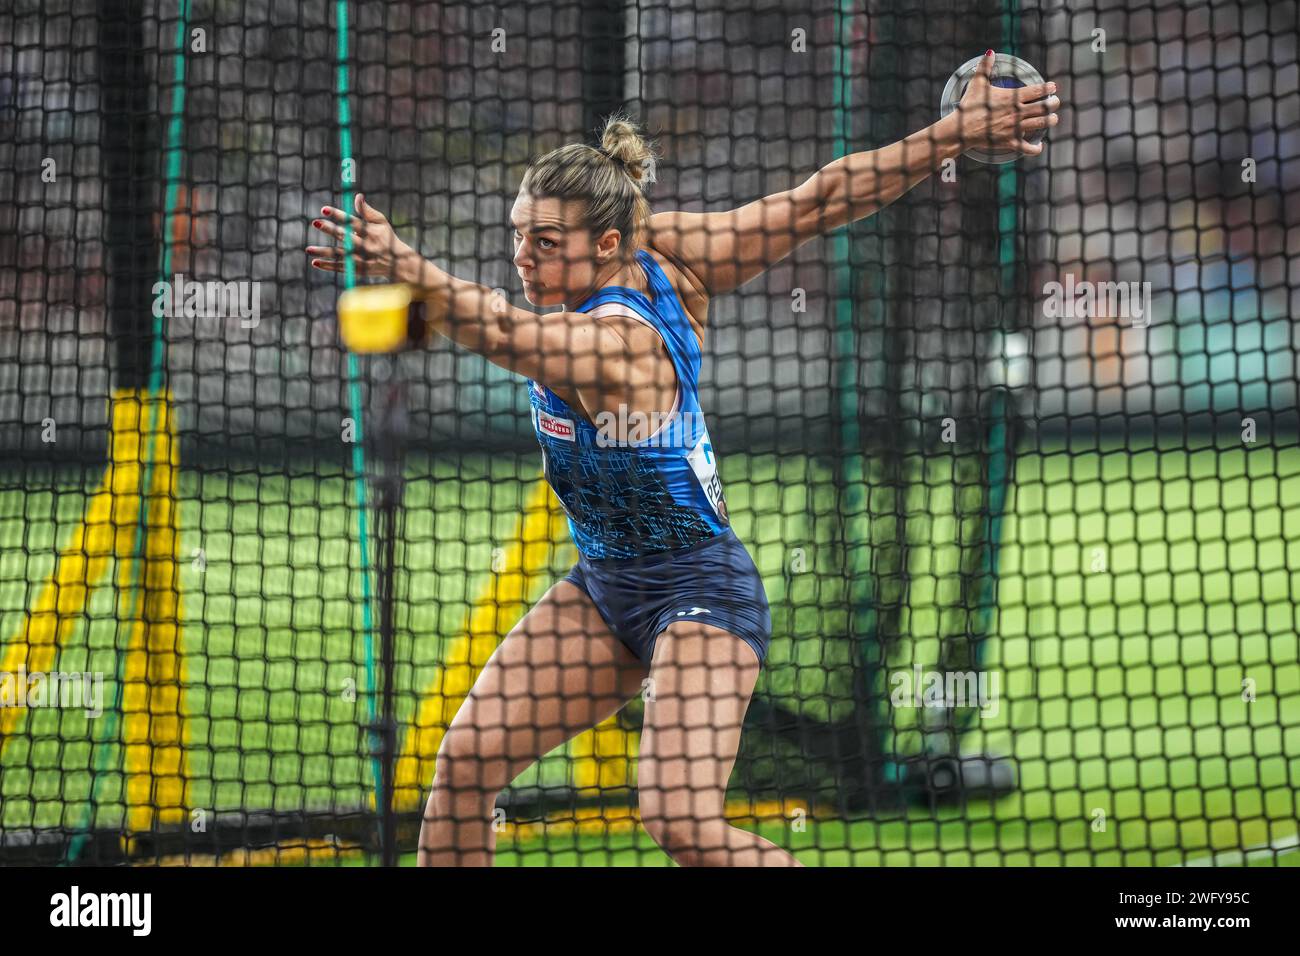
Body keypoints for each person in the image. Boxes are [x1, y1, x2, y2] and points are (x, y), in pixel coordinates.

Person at [307, 50, 1060, 866]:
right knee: (461, 770)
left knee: (680, 820)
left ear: (606, 244)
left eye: (546, 241)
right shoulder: (657, 250)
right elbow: (821, 199)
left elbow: (503, 334)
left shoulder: (619, 335)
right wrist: (950, 132)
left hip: (701, 589)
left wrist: (407, 268)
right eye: (518, 235)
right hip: (605, 587)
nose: (523, 256)